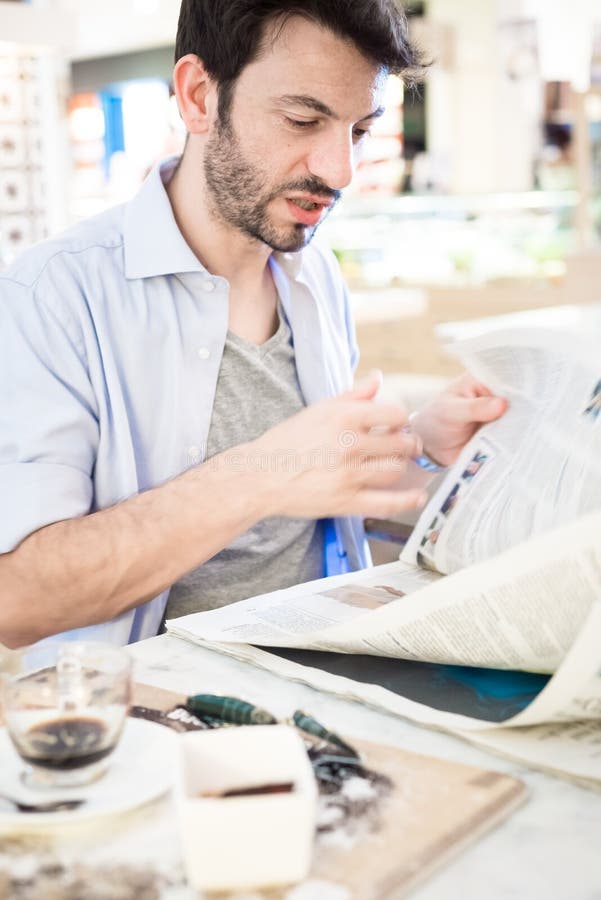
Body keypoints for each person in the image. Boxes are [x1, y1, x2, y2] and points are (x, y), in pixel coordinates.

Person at [0, 0, 506, 649]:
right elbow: (17, 600)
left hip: (324, 672)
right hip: (151, 723)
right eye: (302, 119)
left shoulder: (313, 273)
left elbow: (305, 481)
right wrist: (264, 473)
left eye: (357, 131)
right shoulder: (48, 299)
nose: (339, 171)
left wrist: (417, 441)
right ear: (198, 96)